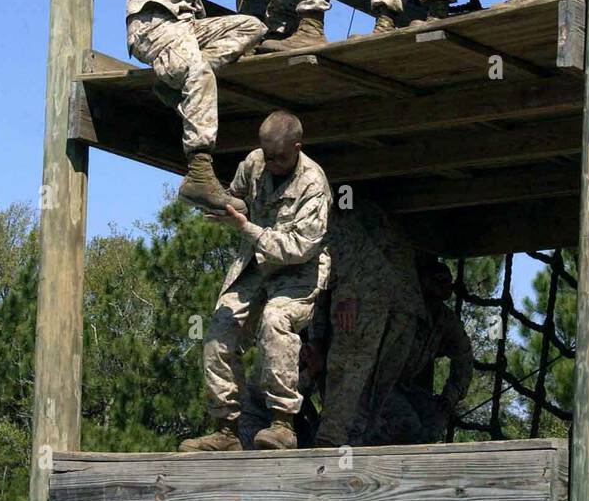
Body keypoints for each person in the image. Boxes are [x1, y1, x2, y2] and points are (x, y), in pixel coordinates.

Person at [179, 111, 331, 453]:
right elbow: (238, 197)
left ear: (297, 147)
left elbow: (298, 247)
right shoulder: (254, 163)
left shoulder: (313, 184)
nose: (272, 163)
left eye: (280, 157)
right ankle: (225, 430)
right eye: (267, 155)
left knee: (275, 321)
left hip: (298, 270)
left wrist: (245, 227)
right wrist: (218, 205)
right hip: (255, 265)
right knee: (220, 328)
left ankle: (282, 425)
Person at [125, 0, 267, 212]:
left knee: (252, 26)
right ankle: (199, 174)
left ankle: (177, 82)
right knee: (200, 72)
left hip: (185, 28)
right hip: (155, 22)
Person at [312, 199, 425, 447]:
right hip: (401, 301)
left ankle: (333, 439)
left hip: (366, 294)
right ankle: (352, 439)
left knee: (349, 365)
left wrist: (350, 293)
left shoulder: (327, 212)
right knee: (373, 380)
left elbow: (350, 250)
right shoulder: (353, 208)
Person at [372, 258, 473, 444]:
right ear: (423, 281)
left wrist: (448, 398)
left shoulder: (444, 319)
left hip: (403, 386)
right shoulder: (399, 308)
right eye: (438, 280)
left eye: (448, 282)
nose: (445, 287)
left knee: (435, 418)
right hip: (374, 383)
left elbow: (464, 356)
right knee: (406, 423)